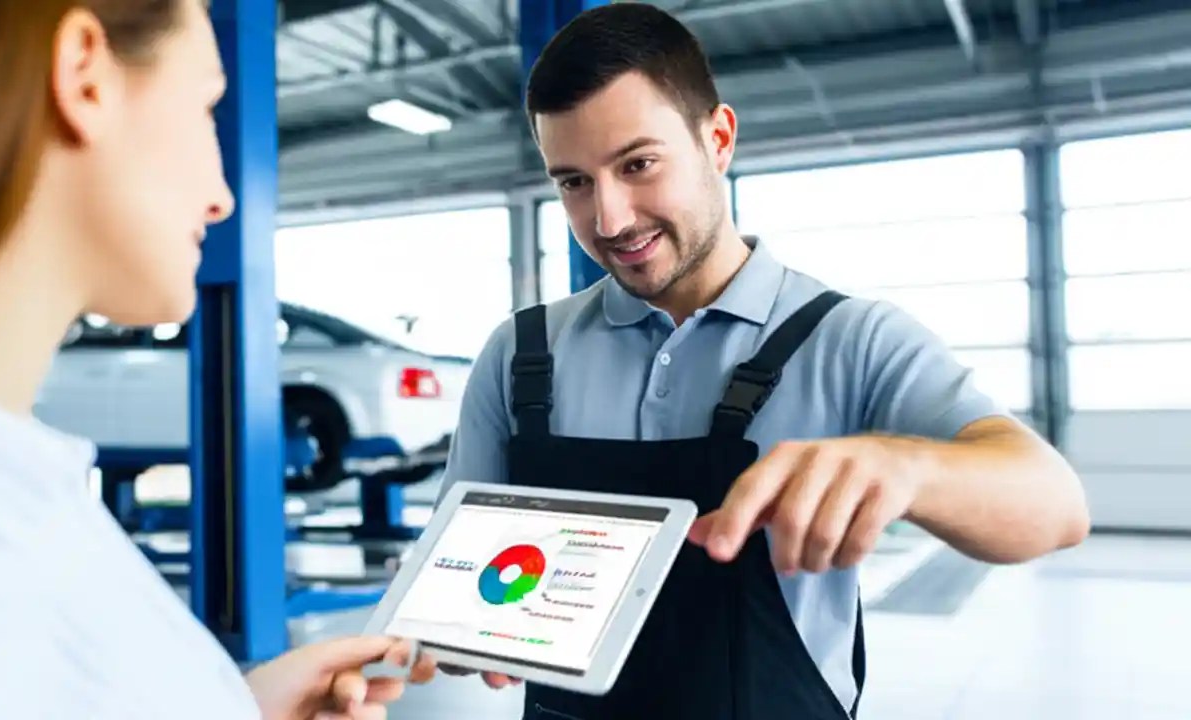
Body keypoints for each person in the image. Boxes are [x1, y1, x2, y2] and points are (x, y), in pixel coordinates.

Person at [439, 4, 1091, 719]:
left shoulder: (850, 339)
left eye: (638, 165)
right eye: (573, 182)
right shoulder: (519, 354)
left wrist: (906, 466)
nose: (610, 219)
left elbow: (1055, 507)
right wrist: (454, 622)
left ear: (717, 139)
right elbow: (452, 573)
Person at [0, 1, 435, 718]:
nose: (223, 199)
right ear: (85, 77)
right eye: (206, 109)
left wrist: (230, 705)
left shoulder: (3, 491)